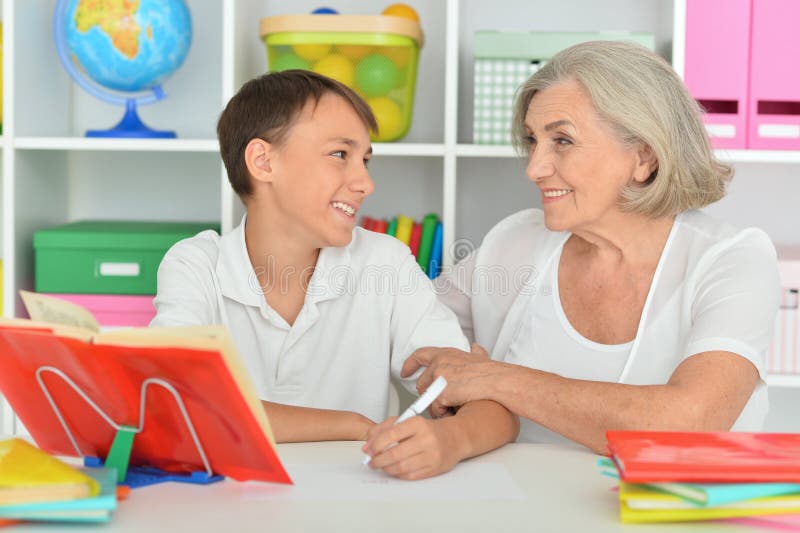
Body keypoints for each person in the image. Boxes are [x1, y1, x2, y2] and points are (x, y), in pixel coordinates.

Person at [388, 41, 781, 455]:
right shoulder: (515, 240)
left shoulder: (732, 259)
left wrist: (495, 379)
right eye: (533, 140)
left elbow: (690, 423)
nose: (534, 168)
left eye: (562, 140)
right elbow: (411, 329)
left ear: (644, 156)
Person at [150, 70, 518, 479]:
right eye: (340, 154)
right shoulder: (195, 265)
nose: (365, 182)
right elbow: (174, 404)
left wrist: (452, 440)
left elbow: (492, 405)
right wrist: (353, 425)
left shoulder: (385, 263)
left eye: (365, 160)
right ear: (263, 161)